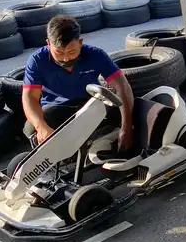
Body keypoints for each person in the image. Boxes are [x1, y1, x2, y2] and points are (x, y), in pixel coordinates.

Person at [22, 15, 135, 150]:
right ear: (48, 44)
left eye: (71, 52)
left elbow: (121, 85)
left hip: (89, 106)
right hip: (57, 109)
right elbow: (30, 97)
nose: (65, 59)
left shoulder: (95, 55)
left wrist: (126, 126)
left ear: (80, 42)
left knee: (126, 109)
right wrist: (41, 127)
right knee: (32, 127)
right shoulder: (37, 61)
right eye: (59, 53)